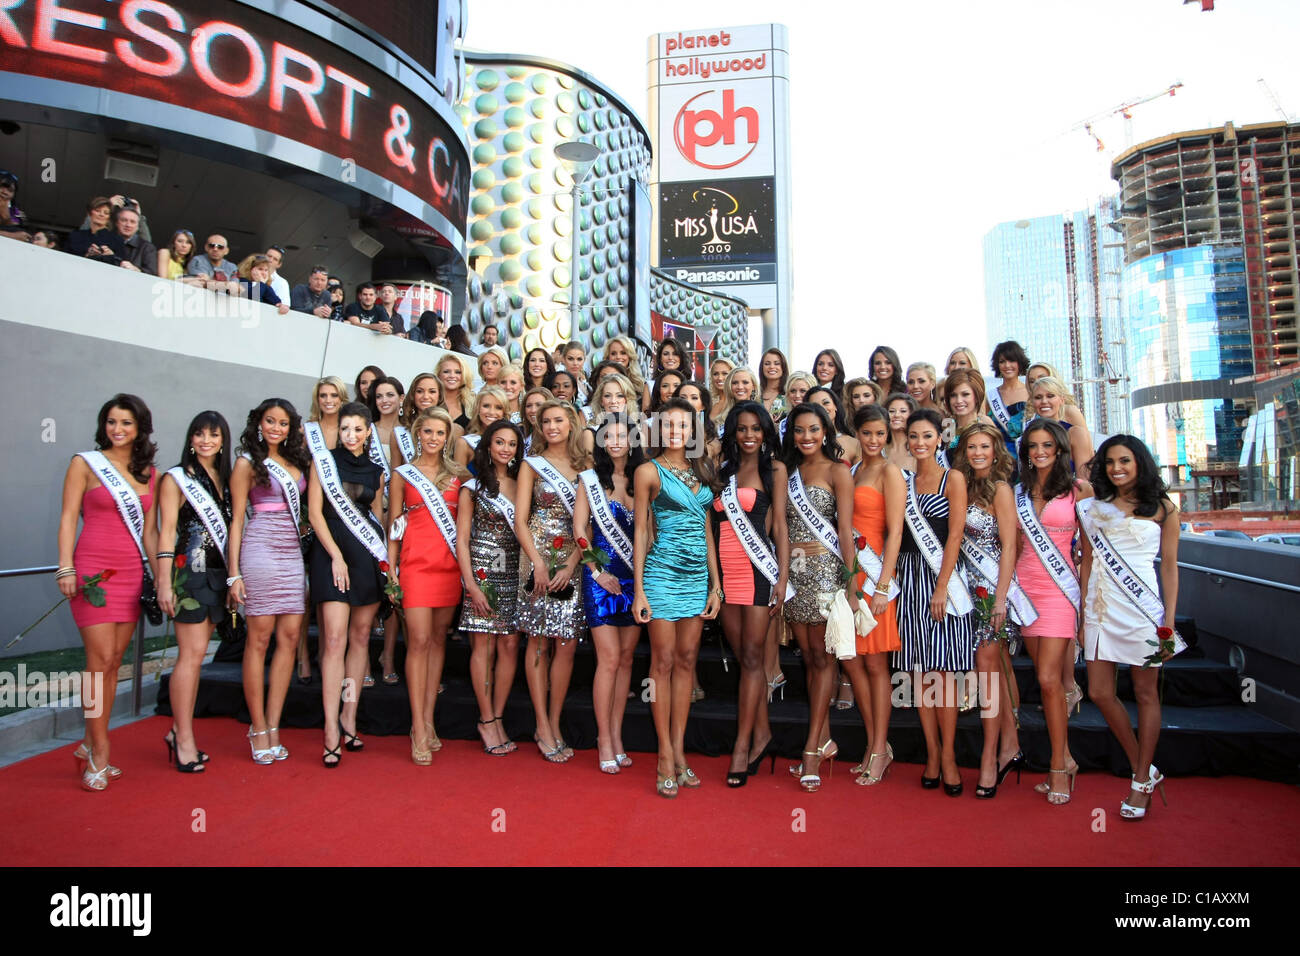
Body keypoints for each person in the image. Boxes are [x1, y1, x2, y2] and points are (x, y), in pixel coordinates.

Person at [56, 394, 159, 790]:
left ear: (140, 429)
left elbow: (149, 531)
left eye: (126, 424)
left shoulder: (148, 472)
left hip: (132, 572)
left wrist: (162, 577)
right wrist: (65, 567)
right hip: (92, 573)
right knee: (98, 660)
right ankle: (100, 750)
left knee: (115, 661)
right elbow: (68, 518)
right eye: (112, 422)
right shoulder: (84, 464)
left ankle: (88, 740)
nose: (118, 430)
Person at [1078, 435, 1180, 821]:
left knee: (1146, 694)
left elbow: (1169, 567)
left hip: (1143, 610)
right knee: (1100, 692)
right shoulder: (1093, 508)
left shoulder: (1165, 509)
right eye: (1109, 462)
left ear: (1140, 462)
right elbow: (1086, 562)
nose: (1116, 468)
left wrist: (1168, 622)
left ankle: (1139, 782)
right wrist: (1082, 617)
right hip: (1102, 608)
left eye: (1124, 461)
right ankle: (1146, 766)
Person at [634, 398, 721, 797]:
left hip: (696, 578)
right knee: (663, 662)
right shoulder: (647, 471)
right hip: (660, 575)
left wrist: (715, 585)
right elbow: (640, 532)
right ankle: (665, 755)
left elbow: (707, 533)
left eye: (682, 425)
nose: (675, 431)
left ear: (692, 431)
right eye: (668, 424)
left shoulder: (703, 469)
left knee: (687, 662)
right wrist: (638, 588)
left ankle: (681, 749)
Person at [780, 402, 860, 792]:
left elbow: (845, 531)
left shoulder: (838, 471)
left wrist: (852, 583)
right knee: (809, 659)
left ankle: (811, 748)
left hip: (827, 573)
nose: (806, 437)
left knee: (825, 659)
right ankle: (825, 738)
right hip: (795, 574)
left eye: (813, 429)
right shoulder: (787, 471)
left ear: (826, 431)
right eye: (799, 430)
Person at [227, 399, 310, 766]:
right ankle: (257, 726)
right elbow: (235, 520)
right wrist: (234, 572)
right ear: (258, 424)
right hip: (260, 549)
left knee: (289, 639)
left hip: (292, 553)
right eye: (270, 421)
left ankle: (274, 724)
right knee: (259, 640)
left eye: (283, 423)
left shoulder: (298, 461)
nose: (276, 428)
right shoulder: (248, 462)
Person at [1014, 419, 1093, 804]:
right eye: (1033, 445)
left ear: (1060, 449)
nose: (1040, 451)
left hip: (1061, 591)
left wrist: (1086, 602)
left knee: (1048, 680)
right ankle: (1066, 758)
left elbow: (1091, 553)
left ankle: (1059, 766)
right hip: (1026, 591)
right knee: (1046, 685)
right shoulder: (1018, 492)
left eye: (1047, 445)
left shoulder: (1080, 491)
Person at [896, 408, 972, 796]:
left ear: (939, 439)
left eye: (927, 436)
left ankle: (949, 758)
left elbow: (956, 535)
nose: (919, 443)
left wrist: (941, 587)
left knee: (943, 675)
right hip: (908, 578)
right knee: (918, 673)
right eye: (913, 436)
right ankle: (931, 753)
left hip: (944, 580)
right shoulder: (904, 481)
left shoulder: (952, 478)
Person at [712, 402, 789, 786]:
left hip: (758, 574)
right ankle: (763, 733)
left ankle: (742, 745)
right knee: (745, 657)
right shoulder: (721, 471)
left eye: (756, 429)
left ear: (765, 432)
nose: (749, 436)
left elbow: (781, 531)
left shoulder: (774, 470)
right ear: (733, 432)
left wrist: (782, 579)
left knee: (755, 656)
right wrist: (713, 580)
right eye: (742, 429)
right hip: (725, 575)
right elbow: (711, 527)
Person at [306, 402, 386, 767]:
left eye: (357, 428)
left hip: (366, 557)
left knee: (359, 639)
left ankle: (349, 716)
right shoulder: (324, 461)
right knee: (334, 640)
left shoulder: (375, 471)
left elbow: (379, 515)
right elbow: (314, 514)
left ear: (369, 431)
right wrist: (335, 555)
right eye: (344, 428)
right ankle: (329, 728)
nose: (350, 435)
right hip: (331, 557)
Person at [388, 407, 467, 764]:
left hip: (448, 567)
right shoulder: (402, 475)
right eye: (428, 432)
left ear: (448, 436)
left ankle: (428, 719)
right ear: (417, 433)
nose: (434, 438)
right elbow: (393, 524)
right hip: (415, 567)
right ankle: (417, 727)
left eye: (440, 433)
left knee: (437, 642)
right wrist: (391, 567)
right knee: (418, 642)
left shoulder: (459, 476)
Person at [155, 411, 233, 772]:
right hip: (190, 575)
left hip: (217, 576)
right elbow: (167, 531)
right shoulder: (176, 478)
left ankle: (178, 731)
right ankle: (184, 739)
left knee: (199, 655)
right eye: (199, 433)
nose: (206, 440)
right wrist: (163, 580)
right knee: (191, 655)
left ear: (222, 441)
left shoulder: (225, 479)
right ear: (190, 438)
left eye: (213, 435)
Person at [515, 400, 590, 763]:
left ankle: (555, 720)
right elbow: (520, 519)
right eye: (546, 421)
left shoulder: (585, 465)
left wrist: (573, 563)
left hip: (572, 559)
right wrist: (537, 565)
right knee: (538, 640)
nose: (552, 426)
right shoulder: (531, 464)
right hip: (537, 558)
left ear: (572, 422)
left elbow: (591, 522)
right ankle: (541, 723)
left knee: (566, 643)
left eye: (559, 420)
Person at [954, 421, 1026, 798]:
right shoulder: (961, 486)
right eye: (971, 447)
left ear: (996, 452)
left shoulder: (1001, 490)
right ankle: (1011, 746)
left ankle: (988, 757)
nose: (978, 453)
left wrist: (1000, 600)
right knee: (995, 668)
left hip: (993, 592)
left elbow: (1011, 548)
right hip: (965, 588)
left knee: (987, 671)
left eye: (984, 447)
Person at [574, 412, 644, 773]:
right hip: (600, 578)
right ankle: (603, 738)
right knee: (610, 659)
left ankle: (617, 735)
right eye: (609, 435)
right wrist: (598, 572)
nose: (616, 441)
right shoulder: (589, 480)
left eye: (623, 435)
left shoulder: (641, 479)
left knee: (627, 660)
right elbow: (581, 531)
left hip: (635, 579)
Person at [456, 419, 525, 756]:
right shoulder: (472, 487)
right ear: (487, 445)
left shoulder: (522, 483)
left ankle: (497, 716)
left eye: (511, 444)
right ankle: (485, 720)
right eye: (499, 442)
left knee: (509, 647)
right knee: (482, 647)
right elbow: (462, 539)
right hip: (482, 574)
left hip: (513, 573)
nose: (505, 449)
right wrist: (470, 583)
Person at [848, 405, 905, 785]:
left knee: (875, 666)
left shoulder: (890, 472)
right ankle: (873, 744)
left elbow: (897, 532)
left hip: (876, 580)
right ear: (857, 433)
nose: (873, 440)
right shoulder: (852, 470)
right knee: (852, 663)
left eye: (879, 434)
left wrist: (883, 585)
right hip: (850, 579)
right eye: (867, 433)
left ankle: (881, 747)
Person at [367, 376, 405, 685]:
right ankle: (364, 659)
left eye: (390, 394)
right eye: (379, 395)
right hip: (365, 514)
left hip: (398, 513)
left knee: (394, 588)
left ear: (401, 397)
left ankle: (388, 655)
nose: (384, 400)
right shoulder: (363, 430)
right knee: (368, 590)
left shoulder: (408, 433)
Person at [1030, 376, 1093, 475]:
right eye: (1038, 397)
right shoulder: (1029, 435)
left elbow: (1084, 480)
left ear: (1062, 400)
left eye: (1050, 396)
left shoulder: (1076, 434)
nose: (1044, 401)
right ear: (1032, 402)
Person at [941, 368, 992, 465]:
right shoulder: (947, 425)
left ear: (977, 397)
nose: (959, 400)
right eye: (953, 395)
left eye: (965, 394)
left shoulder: (985, 426)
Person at [989, 340, 1030, 456]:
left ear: (1020, 363)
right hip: (1000, 455)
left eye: (1012, 360)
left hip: (1027, 455)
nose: (1007, 365)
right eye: (1002, 361)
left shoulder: (1031, 393)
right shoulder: (990, 397)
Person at [804, 385, 860, 467]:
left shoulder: (854, 444)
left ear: (835, 406)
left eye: (826, 403)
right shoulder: (803, 442)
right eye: (816, 405)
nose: (822, 408)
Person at [454, 385, 508, 468]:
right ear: (478, 409)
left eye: (498, 407)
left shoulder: (512, 442)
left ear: (504, 413)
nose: (491, 412)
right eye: (486, 406)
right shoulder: (464, 443)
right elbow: (457, 477)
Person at [63, 197, 125, 265]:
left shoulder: (117, 240)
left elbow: (122, 265)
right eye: (97, 210)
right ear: (90, 213)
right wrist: (86, 255)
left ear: (109, 217)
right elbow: (64, 258)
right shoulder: (75, 236)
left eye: (106, 213)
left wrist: (111, 256)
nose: (101, 214)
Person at [1027, 362, 1088, 430]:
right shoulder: (1030, 412)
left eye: (1042, 378)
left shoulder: (1070, 410)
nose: (1037, 382)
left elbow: (1086, 438)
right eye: (1032, 381)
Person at [675, 380, 722, 462]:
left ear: (703, 405)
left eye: (694, 398)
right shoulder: (665, 428)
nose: (688, 402)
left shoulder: (711, 433)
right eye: (682, 398)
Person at [602, 335, 645, 403]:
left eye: (623, 353)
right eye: (613, 354)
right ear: (607, 357)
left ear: (630, 356)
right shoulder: (601, 380)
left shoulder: (639, 383)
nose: (618, 357)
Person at [114, 205, 156, 274]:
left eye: (132, 222)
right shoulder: (105, 239)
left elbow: (152, 273)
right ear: (117, 223)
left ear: (137, 227)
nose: (128, 225)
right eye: (124, 220)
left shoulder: (147, 248)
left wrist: (136, 270)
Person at [436, 353, 474, 431]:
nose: (452, 376)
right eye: (446, 372)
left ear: (464, 375)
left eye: (458, 372)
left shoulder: (472, 402)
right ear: (438, 375)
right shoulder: (430, 399)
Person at [884, 392, 917, 471]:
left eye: (903, 411)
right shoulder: (878, 448)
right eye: (892, 411)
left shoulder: (919, 448)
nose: (897, 415)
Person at [758, 347, 790, 422]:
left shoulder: (790, 394)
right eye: (767, 364)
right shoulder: (754, 394)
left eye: (777, 363)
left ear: (783, 367)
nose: (772, 367)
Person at [521, 386, 554, 453]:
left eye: (539, 405)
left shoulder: (554, 437)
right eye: (529, 406)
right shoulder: (522, 437)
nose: (533, 410)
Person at [0, 169, 28, 241]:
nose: (4, 192)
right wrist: (11, 235)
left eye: (10, 190)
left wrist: (8, 220)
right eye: (1, 187)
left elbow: (22, 223)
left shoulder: (16, 210)